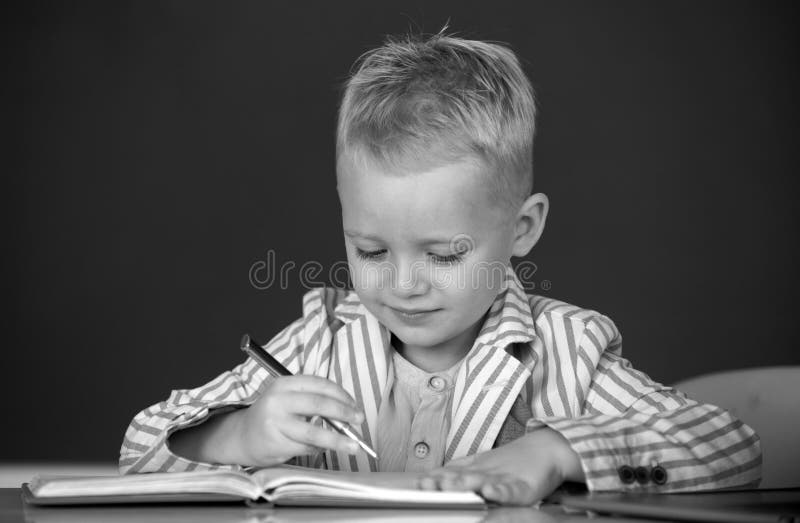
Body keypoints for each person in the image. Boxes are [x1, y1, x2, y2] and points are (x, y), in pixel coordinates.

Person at [119, 31, 761, 505]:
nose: (403, 284)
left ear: (523, 228)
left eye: (445, 254)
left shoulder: (568, 354)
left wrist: (556, 451)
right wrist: (239, 436)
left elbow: (731, 446)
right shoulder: (320, 342)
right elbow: (138, 446)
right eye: (370, 251)